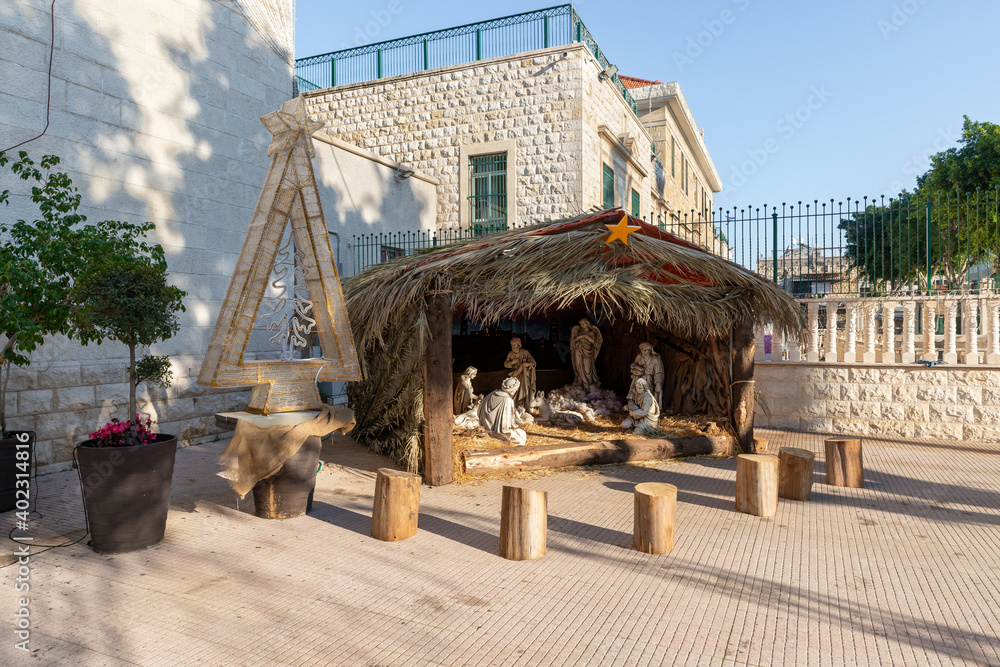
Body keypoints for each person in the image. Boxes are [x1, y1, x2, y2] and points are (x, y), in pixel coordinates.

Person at [477, 377, 530, 446]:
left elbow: (480, 409)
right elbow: (506, 424)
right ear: (513, 390)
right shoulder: (507, 400)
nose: (516, 391)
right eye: (516, 389)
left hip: (485, 426)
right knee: (521, 437)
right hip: (499, 431)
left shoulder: (492, 393)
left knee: (521, 433)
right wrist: (514, 425)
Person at [503, 337, 536, 410]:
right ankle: (515, 406)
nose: (513, 347)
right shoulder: (510, 354)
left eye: (514, 345)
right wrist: (512, 362)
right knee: (514, 390)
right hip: (515, 374)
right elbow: (505, 364)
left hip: (524, 375)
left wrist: (527, 364)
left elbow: (533, 363)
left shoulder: (525, 352)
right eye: (512, 345)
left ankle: (524, 407)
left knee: (524, 389)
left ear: (518, 345)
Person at [628, 342, 664, 408]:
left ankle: (647, 409)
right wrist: (635, 370)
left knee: (647, 394)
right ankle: (638, 407)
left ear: (650, 351)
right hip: (639, 379)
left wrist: (658, 383)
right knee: (637, 393)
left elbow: (658, 373)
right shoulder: (639, 357)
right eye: (642, 350)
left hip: (649, 380)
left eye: (645, 350)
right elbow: (633, 365)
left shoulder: (655, 360)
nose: (644, 352)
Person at [570, 318, 602, 388]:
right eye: (581, 324)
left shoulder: (591, 333)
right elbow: (574, 340)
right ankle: (583, 384)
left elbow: (594, 342)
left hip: (588, 352)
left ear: (587, 324)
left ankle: (590, 384)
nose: (582, 325)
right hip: (579, 350)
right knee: (579, 367)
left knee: (587, 369)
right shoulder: (579, 333)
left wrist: (584, 337)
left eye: (583, 324)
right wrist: (580, 337)